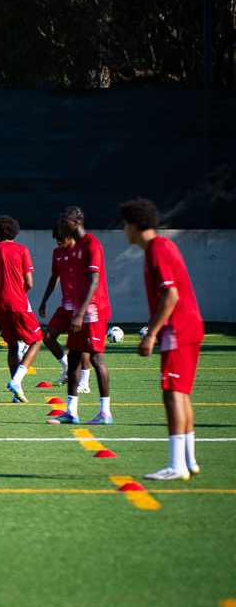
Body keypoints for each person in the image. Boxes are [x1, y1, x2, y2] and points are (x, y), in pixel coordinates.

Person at [120, 199, 204, 481]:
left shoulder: (158, 250)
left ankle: (176, 465)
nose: (123, 230)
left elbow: (171, 296)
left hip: (178, 330)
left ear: (134, 225)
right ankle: (189, 461)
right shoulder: (158, 249)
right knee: (180, 393)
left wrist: (151, 334)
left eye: (125, 225)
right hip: (186, 327)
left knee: (172, 394)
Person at [49, 206, 113, 425]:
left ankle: (105, 412)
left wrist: (80, 313)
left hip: (94, 312)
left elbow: (94, 282)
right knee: (74, 358)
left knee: (96, 359)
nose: (60, 222)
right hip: (78, 312)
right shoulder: (75, 248)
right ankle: (71, 411)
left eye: (63, 219)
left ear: (75, 222)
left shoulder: (93, 245)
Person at [0, 215, 44, 404]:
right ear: (14, 231)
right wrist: (21, 294)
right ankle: (16, 380)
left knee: (12, 345)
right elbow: (29, 282)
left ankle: (16, 394)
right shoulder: (21, 249)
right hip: (18, 302)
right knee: (36, 341)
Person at [37, 223, 92, 391]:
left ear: (70, 237)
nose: (58, 243)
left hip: (80, 306)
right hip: (65, 306)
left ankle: (84, 383)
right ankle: (68, 369)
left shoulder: (81, 252)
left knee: (82, 344)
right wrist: (44, 300)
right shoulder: (57, 253)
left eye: (61, 240)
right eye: (57, 240)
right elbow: (55, 276)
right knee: (47, 337)